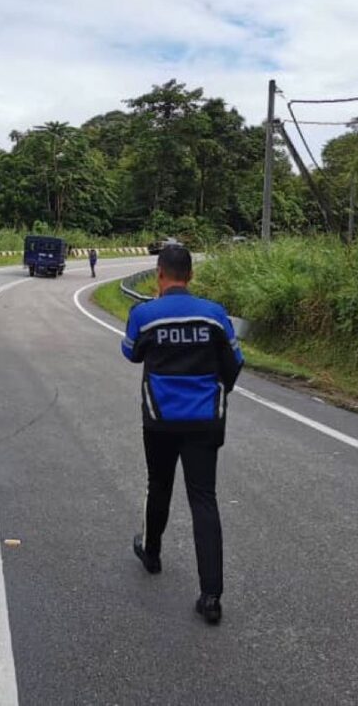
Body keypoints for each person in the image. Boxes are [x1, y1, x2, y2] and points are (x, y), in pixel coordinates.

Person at [121, 244, 244, 625]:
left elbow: (132, 354)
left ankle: (152, 552)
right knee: (204, 499)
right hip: (205, 420)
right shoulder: (214, 315)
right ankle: (211, 597)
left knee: (159, 484)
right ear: (190, 276)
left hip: (159, 418)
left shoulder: (144, 314)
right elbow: (234, 363)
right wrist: (217, 391)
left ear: (160, 275)